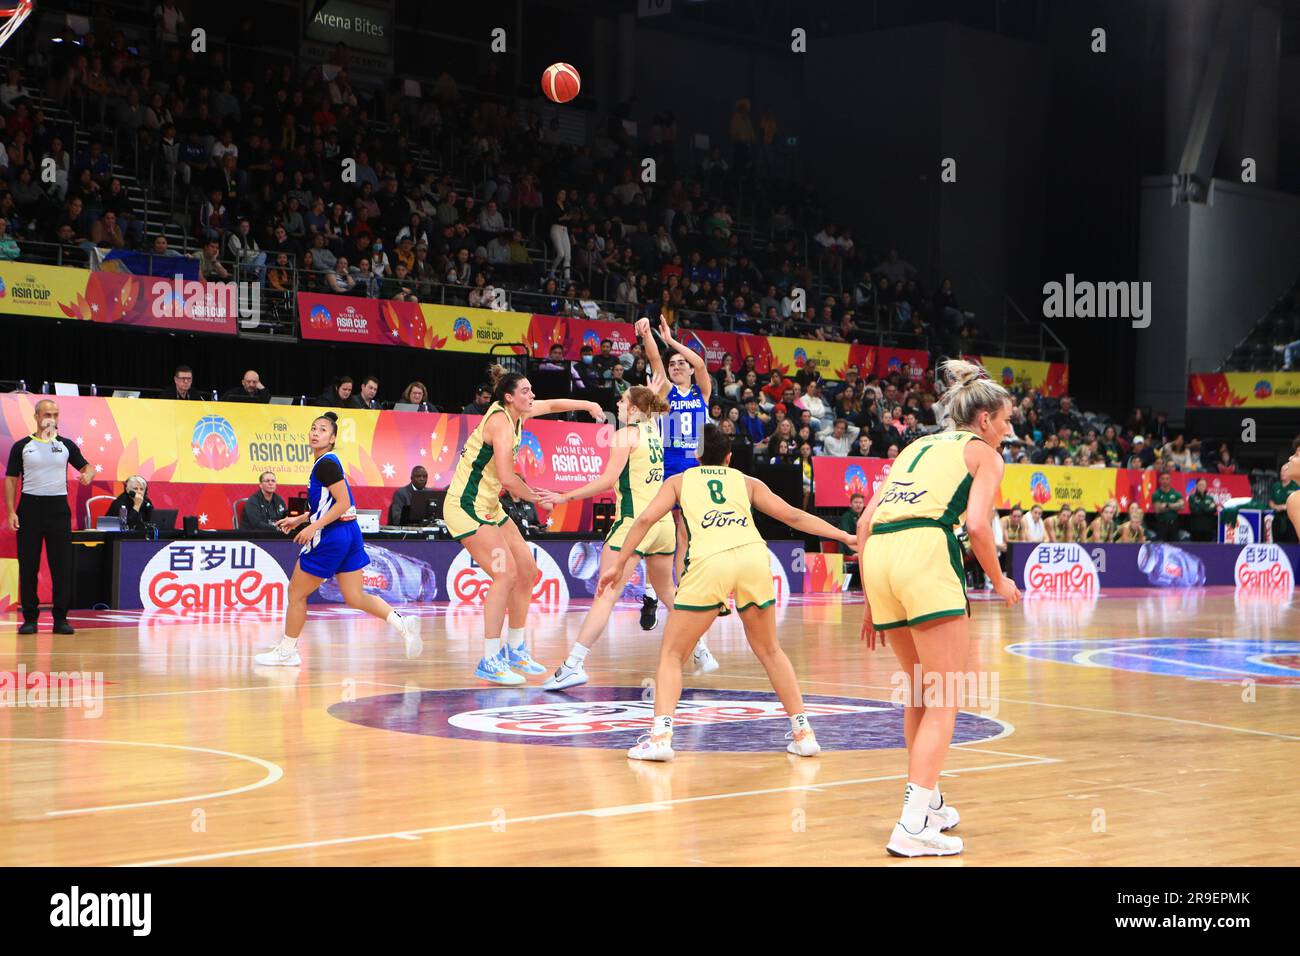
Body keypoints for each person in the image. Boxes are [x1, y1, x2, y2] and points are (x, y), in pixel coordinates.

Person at [596, 424, 856, 761]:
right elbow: (793, 515)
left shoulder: (679, 481)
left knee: (673, 654)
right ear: (730, 458)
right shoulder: (748, 483)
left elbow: (644, 521)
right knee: (771, 650)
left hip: (710, 562)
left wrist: (618, 563)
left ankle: (660, 738)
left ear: (696, 455)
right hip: (752, 557)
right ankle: (804, 732)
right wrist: (844, 536)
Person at [855, 359, 1020, 858]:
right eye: (1007, 420)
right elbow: (977, 527)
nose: (1010, 430)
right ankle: (909, 826)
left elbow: (865, 523)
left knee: (921, 692)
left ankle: (929, 805)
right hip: (924, 553)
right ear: (985, 419)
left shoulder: (915, 446)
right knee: (946, 696)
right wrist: (999, 579)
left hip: (880, 556)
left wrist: (869, 600)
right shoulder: (985, 456)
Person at [443, 364, 603, 685]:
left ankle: (515, 648)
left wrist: (587, 405)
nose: (532, 396)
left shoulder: (519, 412)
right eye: (526, 391)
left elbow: (553, 405)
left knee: (528, 570)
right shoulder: (500, 423)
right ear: (509, 397)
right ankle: (490, 657)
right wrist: (537, 498)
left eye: (531, 390)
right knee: (505, 574)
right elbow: (506, 478)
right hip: (466, 507)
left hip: (488, 506)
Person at [536, 375, 693, 690]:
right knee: (668, 593)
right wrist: (654, 385)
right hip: (662, 525)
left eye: (622, 401)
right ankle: (699, 649)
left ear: (634, 408)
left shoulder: (625, 436)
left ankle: (573, 665)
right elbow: (655, 401)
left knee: (605, 596)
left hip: (635, 524)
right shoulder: (656, 430)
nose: (617, 405)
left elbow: (608, 480)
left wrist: (564, 497)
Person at [254, 412, 423, 666]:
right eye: (313, 428)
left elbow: (343, 502)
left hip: (332, 535)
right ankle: (402, 625)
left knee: (296, 593)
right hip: (349, 532)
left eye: (322, 430)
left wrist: (313, 527)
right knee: (355, 596)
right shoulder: (327, 463)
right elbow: (330, 504)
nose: (315, 433)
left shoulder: (325, 464)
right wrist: (300, 519)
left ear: (332, 438)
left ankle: (287, 652)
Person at [640, 316, 720, 659]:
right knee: (660, 533)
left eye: (679, 364)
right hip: (667, 466)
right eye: (672, 365)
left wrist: (672, 341)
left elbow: (701, 362)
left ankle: (678, 590)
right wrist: (651, 338)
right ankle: (650, 592)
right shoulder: (667, 391)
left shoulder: (702, 390)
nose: (675, 366)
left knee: (685, 534)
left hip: (696, 468)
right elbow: (655, 362)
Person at [5, 400, 95, 635]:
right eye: (47, 414)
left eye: (55, 414)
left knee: (61, 567)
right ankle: (30, 619)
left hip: (58, 510)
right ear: (36, 416)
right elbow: (11, 479)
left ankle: (61, 619)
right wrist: (12, 511)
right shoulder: (22, 446)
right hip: (30, 509)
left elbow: (87, 467)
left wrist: (88, 474)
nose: (52, 418)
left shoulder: (65, 445)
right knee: (28, 567)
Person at [1269, 461, 1300, 544]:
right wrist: (1275, 507)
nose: (1282, 473)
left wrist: (1286, 507)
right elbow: (1271, 501)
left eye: (1285, 471)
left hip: (1291, 520)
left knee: (1291, 544)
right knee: (1277, 544)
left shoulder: (1295, 486)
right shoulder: (1276, 486)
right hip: (1277, 519)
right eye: (1281, 471)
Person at [1151, 471, 1185, 541]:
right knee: (1161, 545)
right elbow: (1158, 509)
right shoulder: (1156, 494)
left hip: (1174, 523)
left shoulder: (1176, 493)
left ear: (1170, 480)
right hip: (1161, 524)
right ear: (1159, 480)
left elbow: (1182, 506)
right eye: (1163, 479)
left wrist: (1167, 505)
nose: (1165, 481)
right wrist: (1175, 506)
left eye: (1167, 479)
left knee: (1174, 545)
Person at [1187, 477, 1217, 542]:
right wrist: (1208, 507)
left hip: (1208, 528)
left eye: (1203, 485)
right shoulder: (1192, 497)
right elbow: (1195, 511)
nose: (1202, 487)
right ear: (1196, 486)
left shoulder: (1210, 498)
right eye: (1200, 485)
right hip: (1196, 528)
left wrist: (1202, 507)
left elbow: (1214, 510)